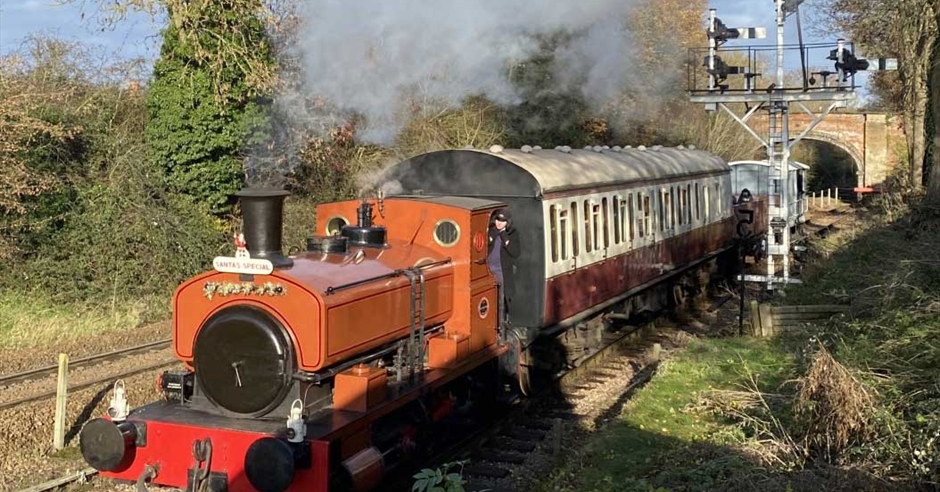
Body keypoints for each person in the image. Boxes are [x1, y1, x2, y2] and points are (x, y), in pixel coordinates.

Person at [487, 208, 520, 324]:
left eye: (502, 220)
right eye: (497, 219)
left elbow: (515, 253)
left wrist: (505, 238)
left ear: (507, 222)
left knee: (501, 297)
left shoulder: (512, 234)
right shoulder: (491, 231)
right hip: (488, 268)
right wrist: (492, 236)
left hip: (501, 269)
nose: (499, 223)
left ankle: (502, 321)